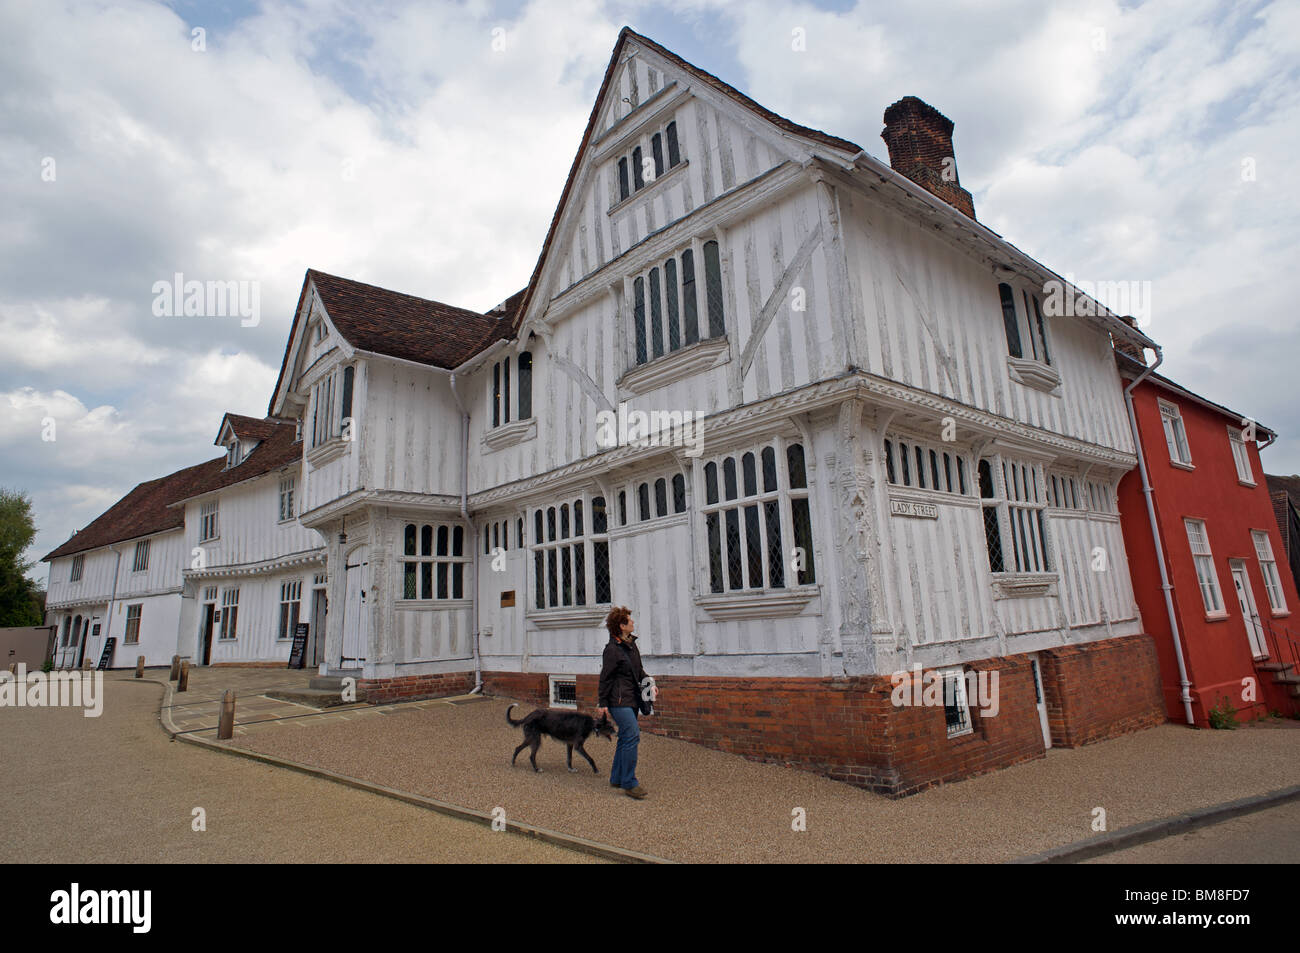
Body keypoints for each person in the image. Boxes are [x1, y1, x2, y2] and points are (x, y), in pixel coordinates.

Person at [596, 605, 649, 799]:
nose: (633, 622)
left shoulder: (631, 645)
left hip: (632, 698)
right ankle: (629, 782)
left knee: (626, 736)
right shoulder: (611, 650)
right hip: (618, 701)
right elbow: (605, 678)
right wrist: (602, 704)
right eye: (629, 620)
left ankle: (617, 777)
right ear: (621, 625)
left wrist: (650, 682)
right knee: (632, 735)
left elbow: (639, 670)